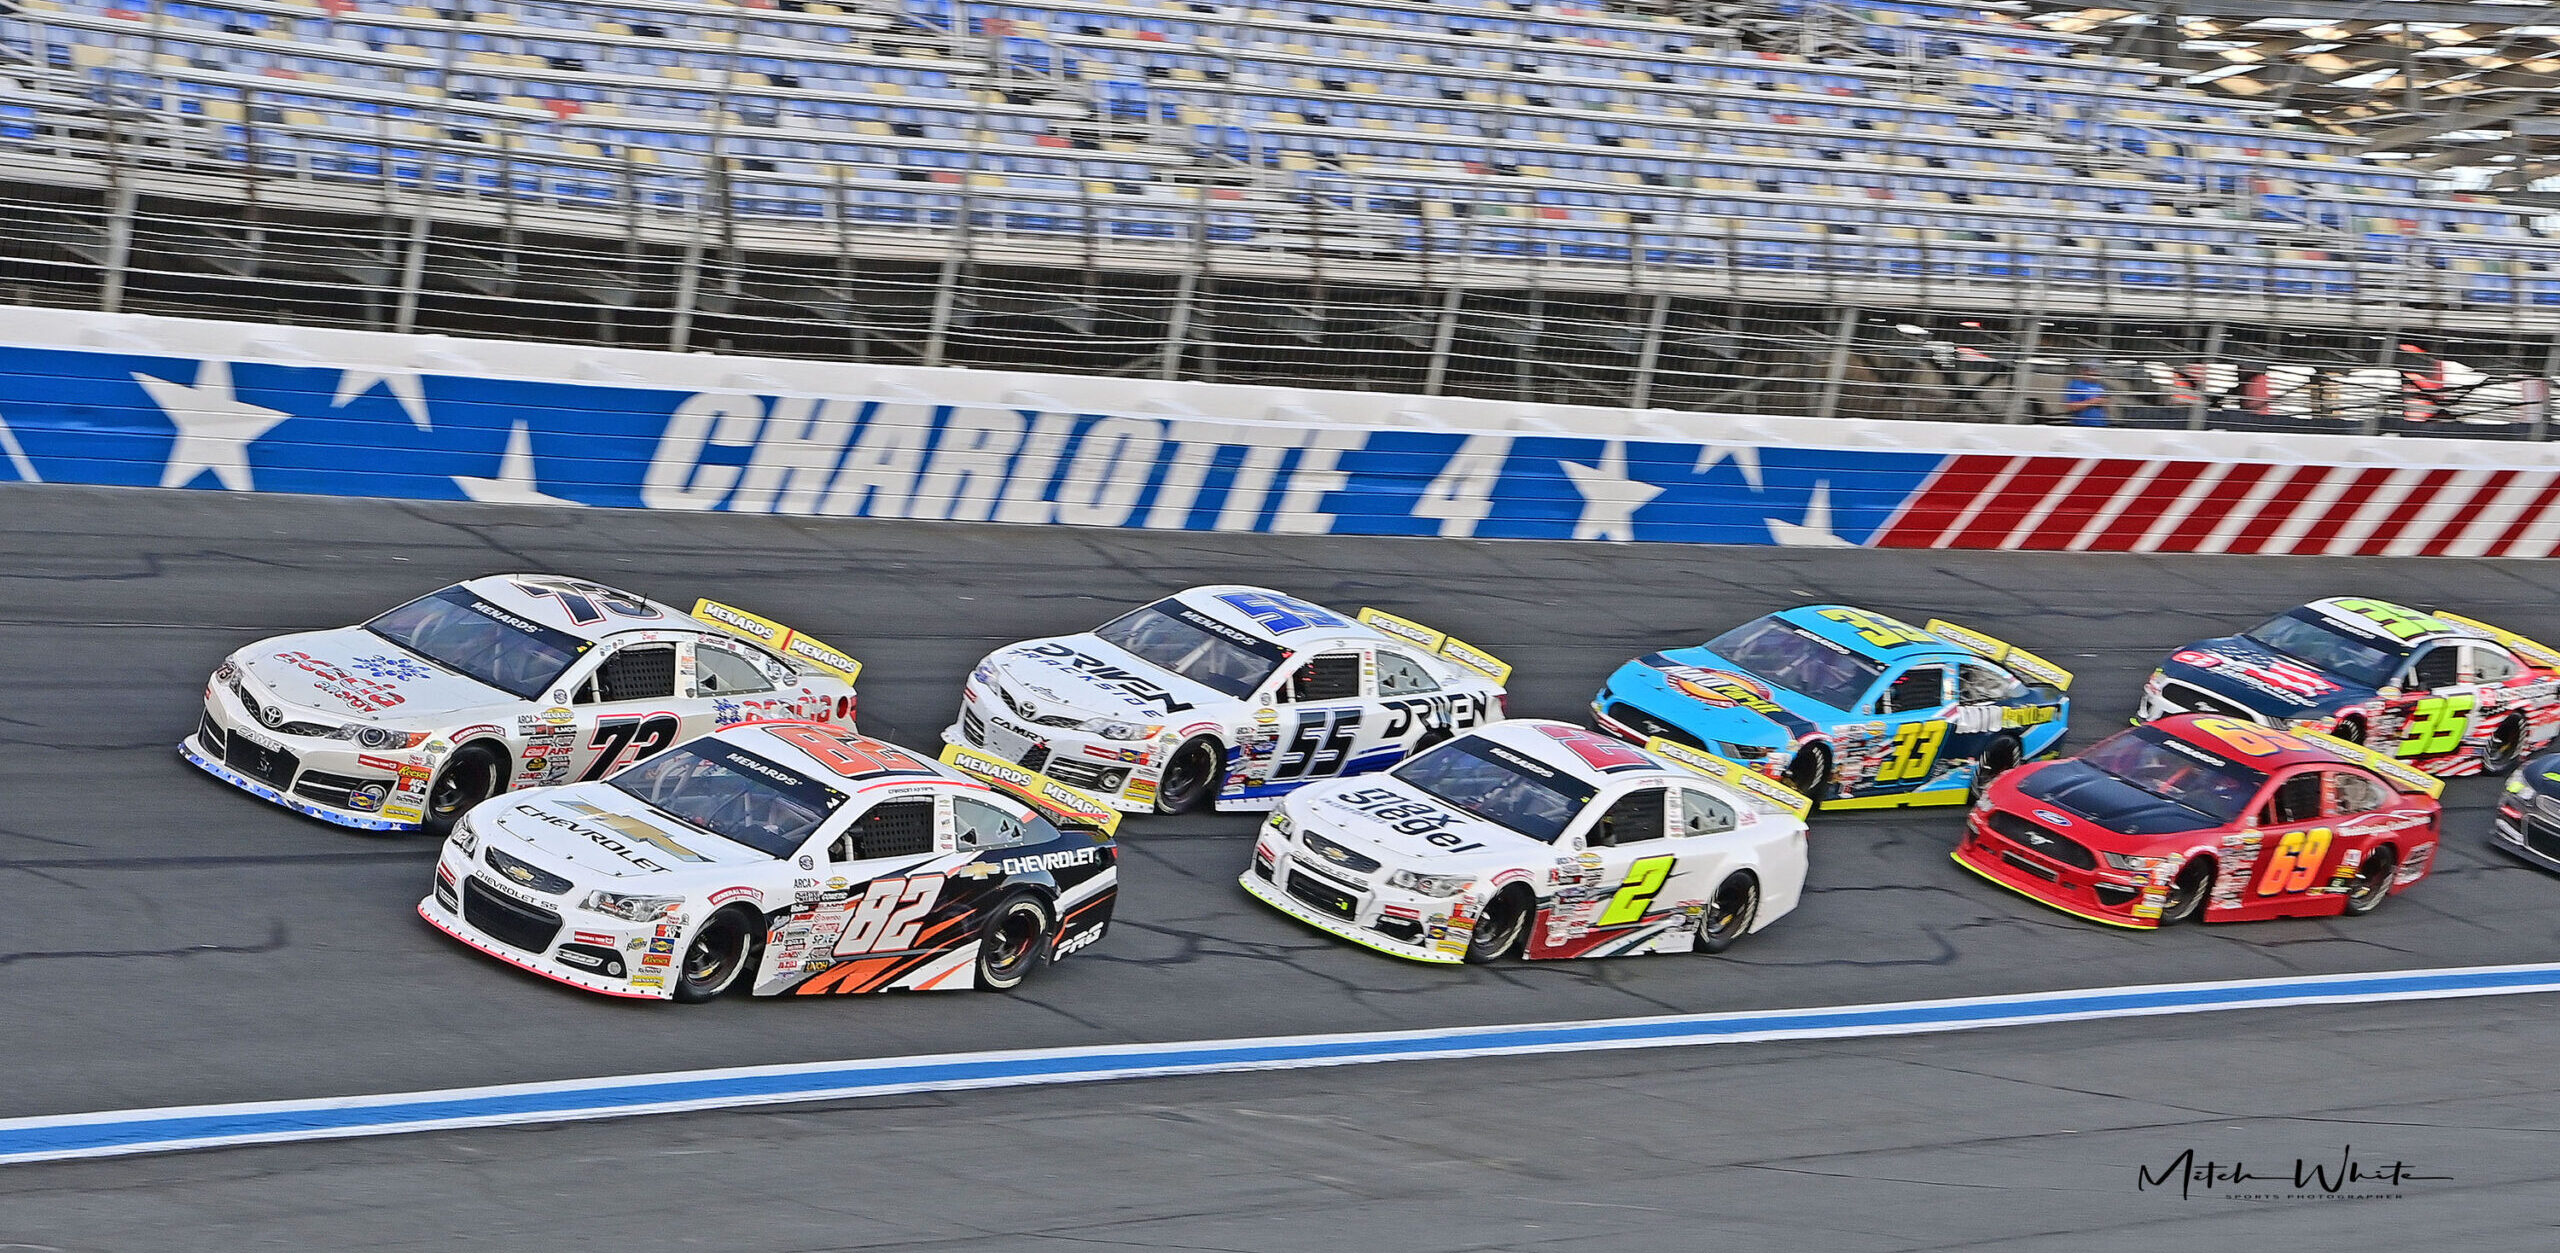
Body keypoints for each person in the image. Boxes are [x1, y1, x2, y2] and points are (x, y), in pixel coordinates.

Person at [2062, 362, 2111, 427]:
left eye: (2096, 371)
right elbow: (2071, 407)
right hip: (2083, 425)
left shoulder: (2100, 385)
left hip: (2101, 424)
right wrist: (2092, 402)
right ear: (2083, 372)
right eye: (2092, 371)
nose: (2095, 374)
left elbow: (2105, 405)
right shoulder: (2075, 385)